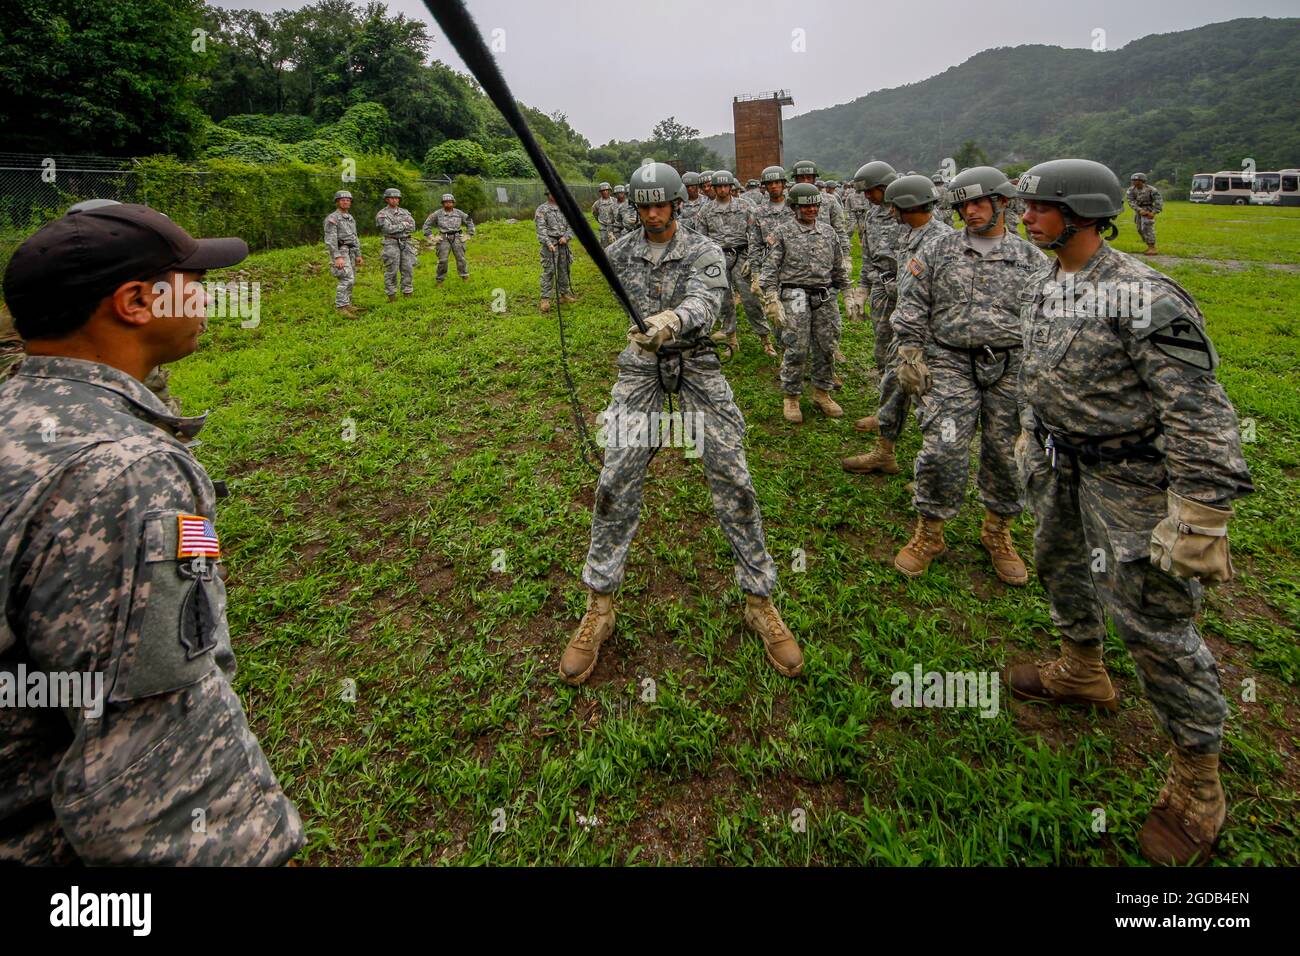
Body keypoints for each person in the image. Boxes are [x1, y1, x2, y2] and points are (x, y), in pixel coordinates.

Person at [0, 202, 305, 865]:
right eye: (189, 278)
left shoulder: (19, 414)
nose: (206, 294)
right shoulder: (127, 472)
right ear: (136, 302)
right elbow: (153, 773)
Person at [1010, 159, 1253, 866]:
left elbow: (1200, 409)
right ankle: (1080, 668)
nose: (1025, 216)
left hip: (1131, 477)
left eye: (1039, 207)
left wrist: (1201, 511)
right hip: (1060, 463)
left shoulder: (1145, 295)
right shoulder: (1048, 281)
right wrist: (1033, 429)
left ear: (1082, 214)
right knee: (1059, 569)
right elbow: (1040, 366)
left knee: (1154, 621)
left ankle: (1197, 778)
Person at [560, 163, 802, 685]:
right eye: (643, 206)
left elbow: (706, 300)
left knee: (732, 475)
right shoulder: (622, 252)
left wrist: (670, 320)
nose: (652, 214)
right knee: (616, 478)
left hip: (696, 361)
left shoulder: (704, 250)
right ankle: (599, 605)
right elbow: (600, 266)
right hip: (641, 365)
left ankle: (759, 600)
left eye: (660, 205)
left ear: (676, 205)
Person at [887, 168, 1044, 582]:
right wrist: (910, 353)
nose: (969, 212)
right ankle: (930, 532)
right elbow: (912, 302)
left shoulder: (1032, 260)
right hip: (950, 362)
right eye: (962, 206)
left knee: (1007, 451)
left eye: (978, 203)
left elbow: (1047, 320)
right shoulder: (939, 250)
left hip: (1011, 367)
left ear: (1003, 203)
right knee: (943, 446)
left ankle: (998, 532)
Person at [759, 183, 848, 423]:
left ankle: (822, 392)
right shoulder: (782, 232)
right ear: (794, 207)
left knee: (827, 344)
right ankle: (792, 396)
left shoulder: (829, 233)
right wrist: (770, 297)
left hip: (824, 295)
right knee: (796, 345)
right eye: (806, 206)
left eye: (815, 205)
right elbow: (769, 268)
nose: (811, 210)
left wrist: (848, 293)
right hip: (795, 295)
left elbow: (839, 267)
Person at [841, 160, 907, 474]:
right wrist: (863, 289)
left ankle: (891, 428)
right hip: (882, 291)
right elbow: (868, 256)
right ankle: (886, 412)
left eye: (872, 191)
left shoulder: (908, 211)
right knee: (882, 354)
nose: (867, 197)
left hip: (909, 293)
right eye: (865, 193)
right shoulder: (872, 215)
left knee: (904, 363)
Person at [695, 171, 774, 355]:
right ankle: (731, 340)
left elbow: (755, 235)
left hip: (741, 256)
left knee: (750, 299)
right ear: (713, 189)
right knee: (724, 301)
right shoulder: (705, 211)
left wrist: (753, 260)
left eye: (726, 186)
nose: (723, 190)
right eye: (719, 187)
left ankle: (765, 339)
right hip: (717, 258)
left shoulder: (745, 206)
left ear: (731, 187)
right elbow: (701, 239)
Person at [535, 190, 576, 313]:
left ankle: (564, 295)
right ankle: (545, 299)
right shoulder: (542, 209)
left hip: (564, 243)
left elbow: (571, 225)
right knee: (549, 270)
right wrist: (548, 243)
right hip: (551, 245)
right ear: (548, 194)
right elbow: (541, 229)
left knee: (564, 269)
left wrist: (566, 237)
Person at [325, 189, 364, 316]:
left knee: (351, 279)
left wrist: (358, 254)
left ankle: (348, 304)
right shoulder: (332, 218)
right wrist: (337, 257)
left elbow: (354, 236)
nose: (346, 202)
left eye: (348, 200)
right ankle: (341, 307)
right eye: (343, 200)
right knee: (346, 278)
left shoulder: (350, 218)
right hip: (341, 251)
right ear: (337, 202)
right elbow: (330, 240)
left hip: (351, 251)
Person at [423, 193, 476, 283]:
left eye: (450, 202)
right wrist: (431, 237)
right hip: (443, 238)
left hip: (457, 238)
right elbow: (426, 225)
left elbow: (469, 221)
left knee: (461, 259)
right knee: (442, 260)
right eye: (445, 202)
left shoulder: (459, 213)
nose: (448, 204)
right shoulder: (437, 213)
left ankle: (465, 277)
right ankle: (440, 280)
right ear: (442, 203)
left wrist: (469, 235)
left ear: (453, 203)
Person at [376, 187, 418, 301]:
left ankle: (407, 293)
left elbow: (413, 226)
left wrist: (398, 227)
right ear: (387, 199)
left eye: (396, 198)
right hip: (391, 243)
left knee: (408, 268)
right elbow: (387, 229)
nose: (394, 200)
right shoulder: (382, 214)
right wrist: (404, 225)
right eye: (391, 198)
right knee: (391, 270)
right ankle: (391, 296)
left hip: (406, 242)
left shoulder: (405, 212)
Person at [1126, 172, 1164, 255]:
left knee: (1147, 227)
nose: (1134, 182)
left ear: (1142, 181)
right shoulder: (1131, 190)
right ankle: (1148, 246)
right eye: (1133, 180)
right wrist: (1139, 210)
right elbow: (1130, 201)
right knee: (1140, 229)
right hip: (1139, 211)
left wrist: (1153, 212)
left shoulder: (1151, 190)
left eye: (1136, 180)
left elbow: (1159, 201)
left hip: (1149, 210)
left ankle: (1152, 248)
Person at [591, 182, 620, 247]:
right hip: (603, 229)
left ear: (609, 191)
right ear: (600, 192)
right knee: (604, 246)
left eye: (607, 190)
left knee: (616, 245)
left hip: (614, 227)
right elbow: (594, 213)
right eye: (603, 190)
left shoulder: (615, 201)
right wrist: (600, 221)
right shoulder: (597, 203)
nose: (605, 192)